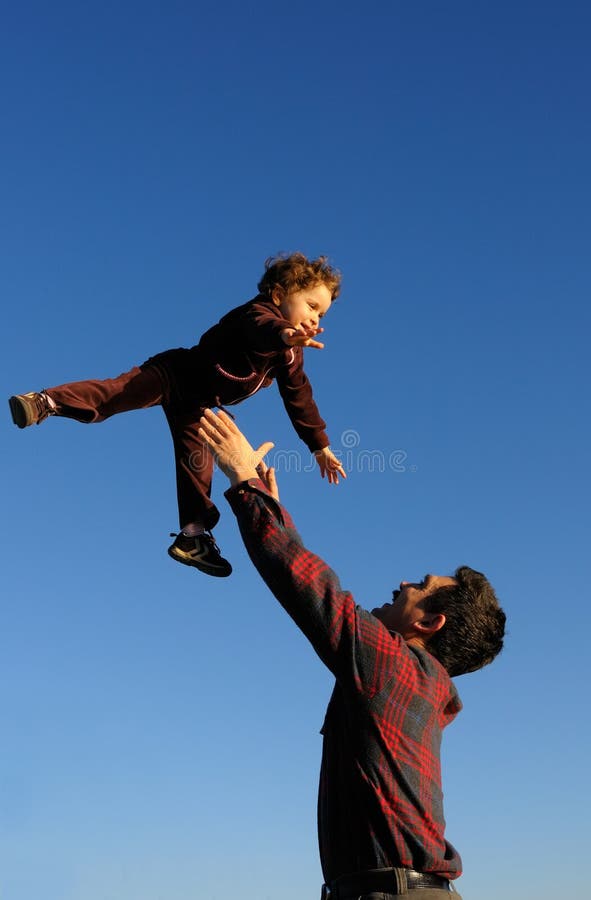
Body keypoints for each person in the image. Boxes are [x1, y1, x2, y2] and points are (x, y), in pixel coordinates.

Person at [197, 408, 506, 900]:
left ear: (429, 623)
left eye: (420, 587)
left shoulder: (395, 667)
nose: (404, 583)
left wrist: (244, 482)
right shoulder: (410, 684)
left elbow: (310, 586)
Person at [8, 252, 346, 577]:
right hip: (175, 374)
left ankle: (193, 536)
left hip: (198, 404)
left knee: (198, 465)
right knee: (116, 394)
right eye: (311, 306)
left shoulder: (290, 358)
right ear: (278, 295)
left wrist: (320, 445)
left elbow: (299, 395)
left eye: (323, 314)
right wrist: (282, 333)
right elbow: (260, 326)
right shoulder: (257, 315)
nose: (316, 318)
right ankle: (45, 402)